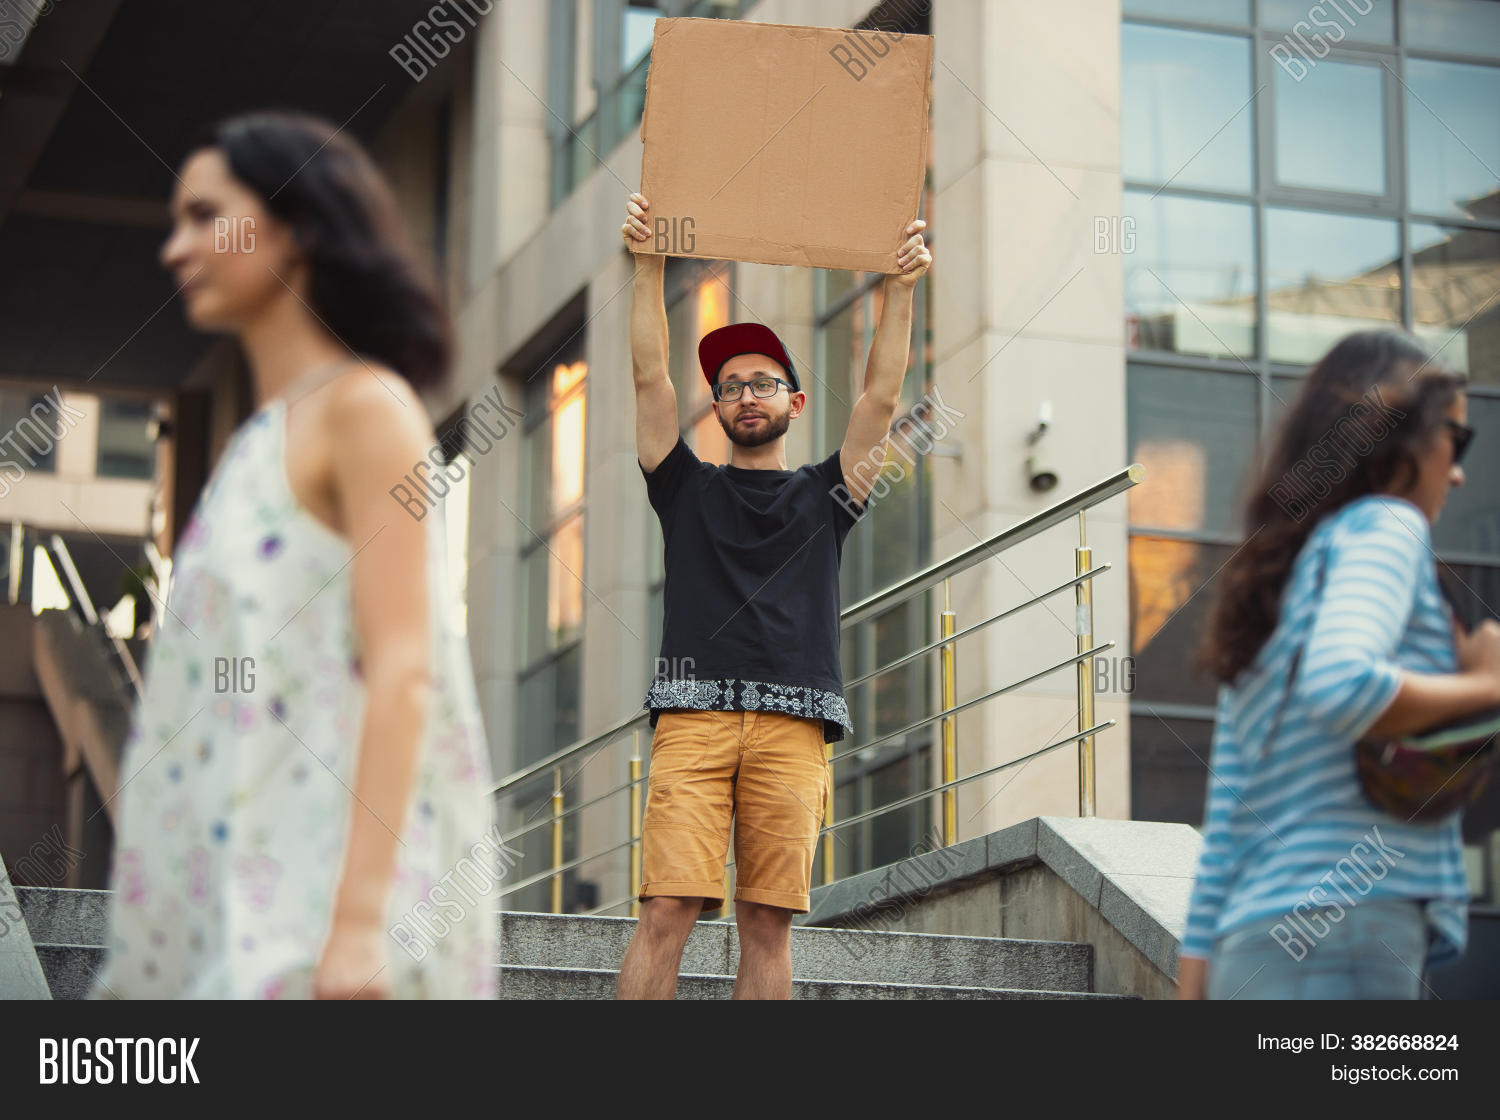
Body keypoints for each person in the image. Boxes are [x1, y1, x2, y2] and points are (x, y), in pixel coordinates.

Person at [92, 110, 496, 999]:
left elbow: (404, 668)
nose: (175, 249)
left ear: (297, 225)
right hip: (237, 904)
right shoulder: (252, 448)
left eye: (205, 217)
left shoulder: (367, 411)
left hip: (324, 929)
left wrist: (359, 926)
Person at [613, 192, 930, 999]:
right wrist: (648, 263)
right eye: (729, 386)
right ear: (715, 410)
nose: (745, 394)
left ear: (793, 401)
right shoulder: (682, 487)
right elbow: (650, 374)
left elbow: (880, 400)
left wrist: (901, 287)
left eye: (763, 382)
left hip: (795, 726)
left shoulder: (831, 494)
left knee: (767, 922)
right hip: (694, 720)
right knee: (666, 910)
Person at [1179, 328, 1500, 1000]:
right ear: (1400, 437)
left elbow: (1226, 828)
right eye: (1456, 439)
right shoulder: (1388, 524)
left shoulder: (1270, 594)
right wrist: (1484, 684)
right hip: (1349, 928)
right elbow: (1343, 683)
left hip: (1252, 947)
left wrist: (1193, 983)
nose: (1460, 469)